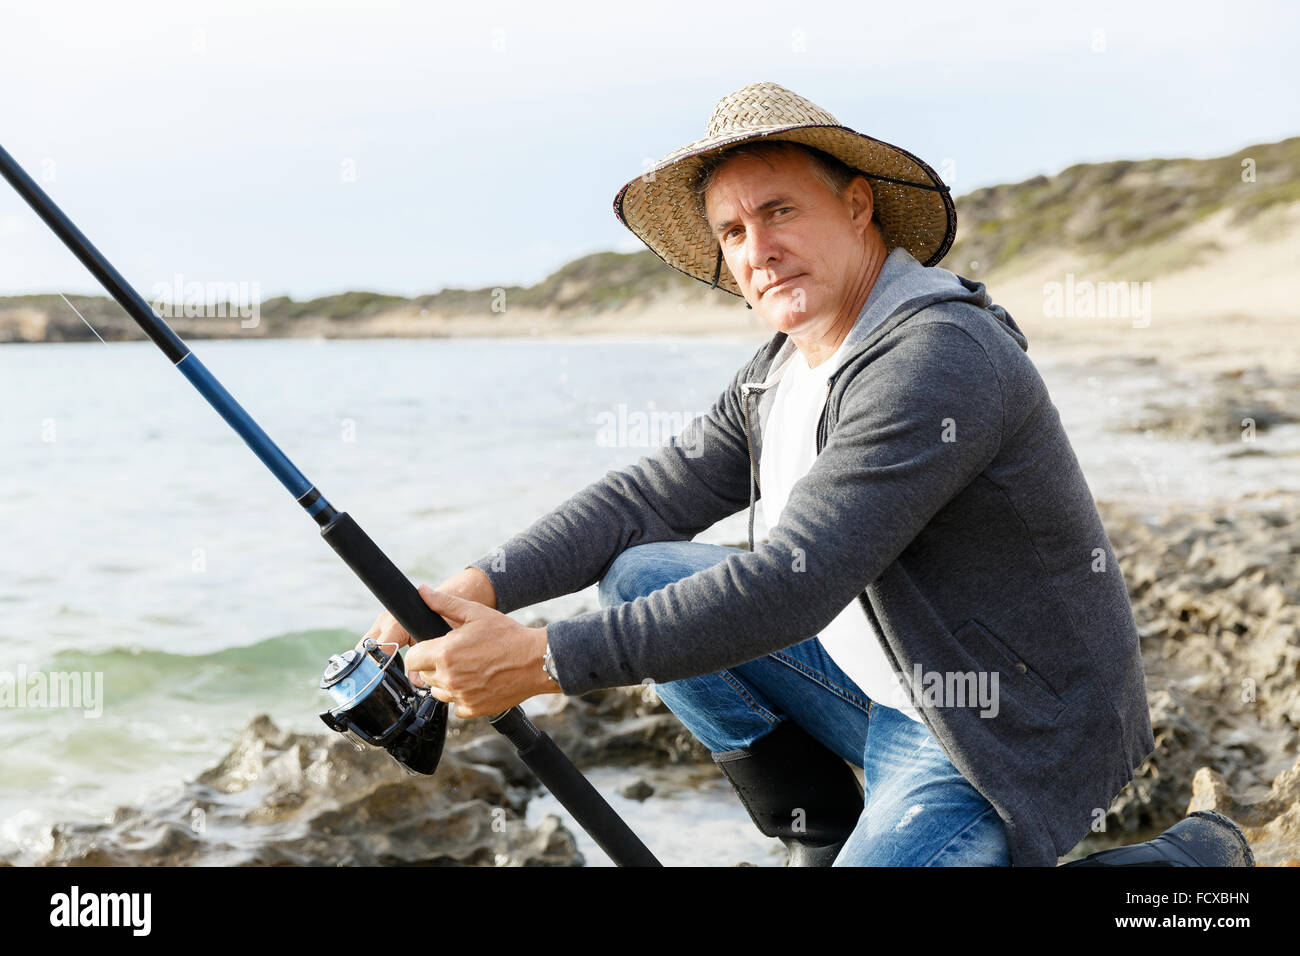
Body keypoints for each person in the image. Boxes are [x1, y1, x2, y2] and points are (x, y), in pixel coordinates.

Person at [360, 82, 1247, 867]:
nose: (759, 249)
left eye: (780, 211)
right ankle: (816, 828)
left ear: (859, 206)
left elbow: (794, 584)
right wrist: (473, 586)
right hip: (883, 685)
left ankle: (1191, 860)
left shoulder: (936, 355)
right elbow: (649, 499)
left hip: (996, 733)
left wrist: (546, 659)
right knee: (639, 574)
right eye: (734, 231)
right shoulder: (785, 363)